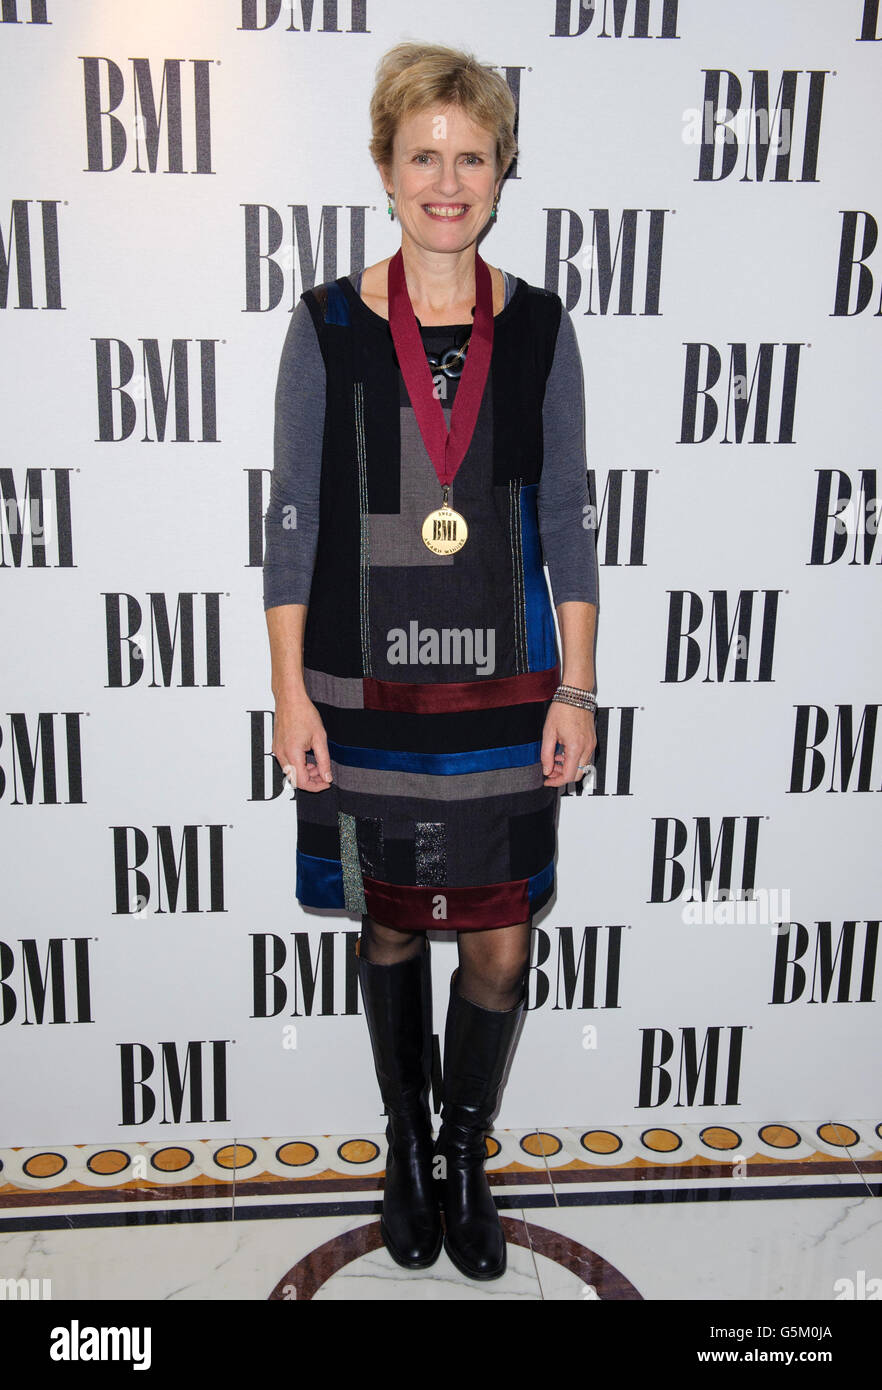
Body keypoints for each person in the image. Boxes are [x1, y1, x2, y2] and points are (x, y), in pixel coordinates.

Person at [263, 41, 598, 1282]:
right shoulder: (329, 326)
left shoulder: (545, 329)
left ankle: (466, 1152)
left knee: (500, 940)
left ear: (502, 169)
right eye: (423, 156)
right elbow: (293, 515)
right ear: (386, 169)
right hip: (361, 697)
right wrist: (292, 691)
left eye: (470, 155)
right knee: (391, 929)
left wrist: (578, 684)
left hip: (508, 695)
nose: (446, 180)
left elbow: (565, 516)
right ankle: (404, 1144)